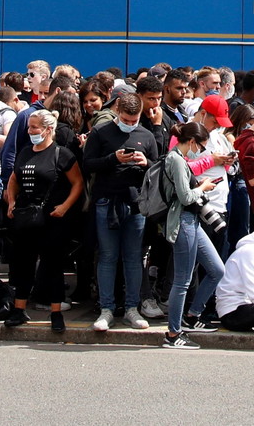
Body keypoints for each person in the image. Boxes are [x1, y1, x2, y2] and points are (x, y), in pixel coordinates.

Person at [82, 90, 160, 331]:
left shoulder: (146, 135)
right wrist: (113, 159)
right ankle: (106, 308)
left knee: (134, 257)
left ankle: (132, 308)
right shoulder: (101, 132)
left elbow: (157, 168)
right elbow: (87, 164)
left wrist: (145, 162)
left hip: (136, 203)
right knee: (107, 256)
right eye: (125, 120)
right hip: (107, 200)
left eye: (134, 121)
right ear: (117, 112)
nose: (129, 124)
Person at [2, 107, 83, 333]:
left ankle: (56, 312)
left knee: (53, 266)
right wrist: (11, 202)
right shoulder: (26, 151)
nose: (30, 131)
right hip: (26, 217)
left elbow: (78, 183)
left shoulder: (62, 154)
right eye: (29, 127)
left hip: (52, 219)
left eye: (34, 127)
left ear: (48, 130)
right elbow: (14, 178)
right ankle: (19, 310)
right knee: (23, 264)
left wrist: (65, 207)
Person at [161, 120, 228, 348]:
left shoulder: (179, 159)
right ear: (191, 142)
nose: (200, 151)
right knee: (183, 281)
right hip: (183, 221)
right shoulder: (177, 160)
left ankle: (191, 316)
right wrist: (202, 187)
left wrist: (199, 184)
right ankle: (173, 333)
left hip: (191, 220)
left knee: (217, 269)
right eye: (200, 147)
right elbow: (186, 197)